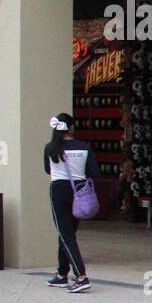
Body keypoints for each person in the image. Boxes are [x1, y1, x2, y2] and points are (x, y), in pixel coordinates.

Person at [44, 112, 98, 293]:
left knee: (65, 233)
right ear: (72, 127)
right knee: (68, 232)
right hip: (79, 190)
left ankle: (81, 276)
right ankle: (61, 273)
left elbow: (47, 170)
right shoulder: (84, 147)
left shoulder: (50, 148)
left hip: (58, 189)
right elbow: (93, 171)